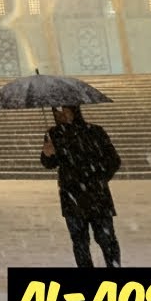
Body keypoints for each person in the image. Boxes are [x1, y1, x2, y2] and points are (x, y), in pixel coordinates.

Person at [41, 104, 122, 267]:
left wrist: (98, 179)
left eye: (63, 109)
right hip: (71, 197)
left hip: (97, 196)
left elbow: (114, 160)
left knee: (107, 240)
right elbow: (49, 163)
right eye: (56, 110)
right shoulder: (53, 134)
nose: (59, 114)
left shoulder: (95, 132)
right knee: (80, 242)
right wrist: (47, 153)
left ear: (73, 110)